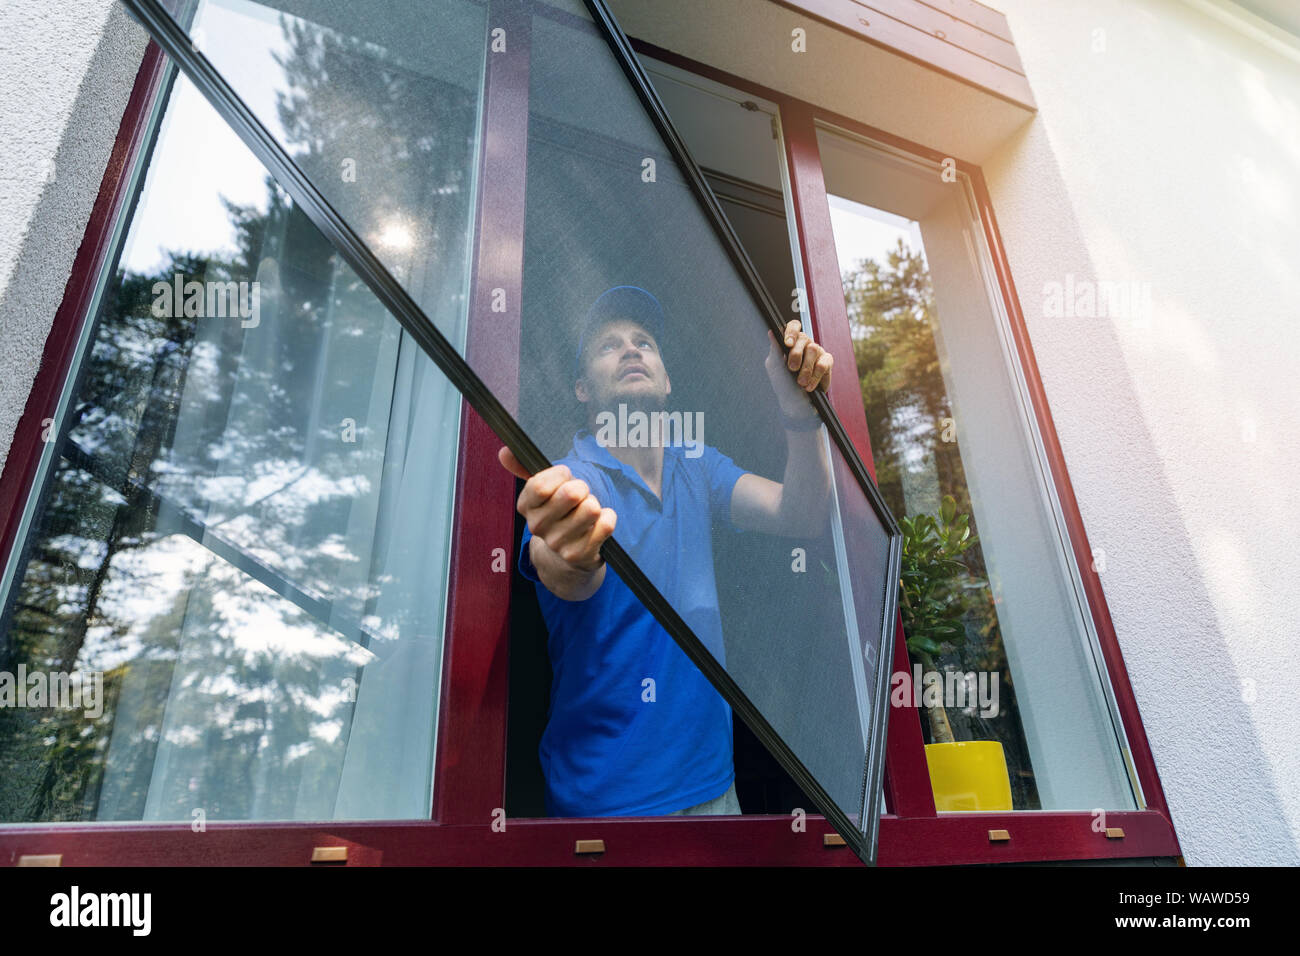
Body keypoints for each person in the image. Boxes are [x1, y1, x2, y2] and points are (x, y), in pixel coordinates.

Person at [497, 285, 833, 817]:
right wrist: (568, 554)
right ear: (583, 390)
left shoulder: (695, 463)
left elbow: (802, 513)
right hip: (608, 806)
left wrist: (800, 415)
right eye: (609, 346)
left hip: (715, 788)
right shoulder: (574, 479)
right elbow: (564, 568)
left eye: (644, 342)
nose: (631, 350)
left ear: (668, 378)